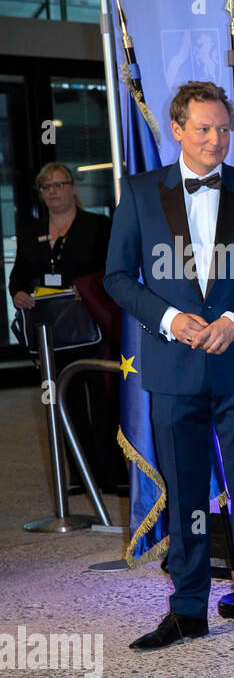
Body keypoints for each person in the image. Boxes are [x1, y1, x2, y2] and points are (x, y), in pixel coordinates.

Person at [104, 80, 234, 647]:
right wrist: (169, 320)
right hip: (172, 367)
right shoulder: (140, 192)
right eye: (205, 128)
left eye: (224, 129)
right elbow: (118, 277)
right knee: (185, 492)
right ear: (178, 129)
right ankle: (187, 608)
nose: (216, 139)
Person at [9, 162, 122, 494]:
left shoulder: (98, 225)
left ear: (73, 188)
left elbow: (114, 269)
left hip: (91, 324)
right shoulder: (30, 230)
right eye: (46, 187)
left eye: (59, 185)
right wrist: (17, 293)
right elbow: (19, 274)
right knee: (65, 401)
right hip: (51, 329)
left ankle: (112, 473)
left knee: (102, 401)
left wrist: (88, 285)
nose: (53, 192)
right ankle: (79, 474)